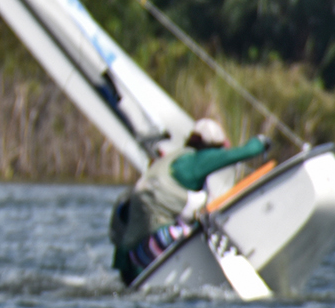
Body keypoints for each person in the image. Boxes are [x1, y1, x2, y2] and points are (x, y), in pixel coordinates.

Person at [109, 117, 271, 285]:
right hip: (152, 251)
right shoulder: (196, 161)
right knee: (195, 224)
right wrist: (262, 142)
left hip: (129, 263)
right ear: (210, 147)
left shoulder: (170, 160)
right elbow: (246, 151)